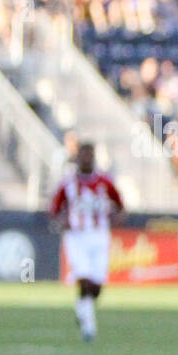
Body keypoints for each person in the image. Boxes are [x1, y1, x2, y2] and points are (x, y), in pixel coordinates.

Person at [49, 142, 123, 343]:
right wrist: (61, 221)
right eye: (83, 154)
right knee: (84, 279)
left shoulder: (104, 182)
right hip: (77, 237)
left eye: (89, 155)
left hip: (99, 235)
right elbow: (54, 209)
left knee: (96, 287)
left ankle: (82, 307)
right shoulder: (68, 183)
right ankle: (89, 328)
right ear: (77, 157)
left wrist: (117, 218)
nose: (86, 158)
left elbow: (120, 205)